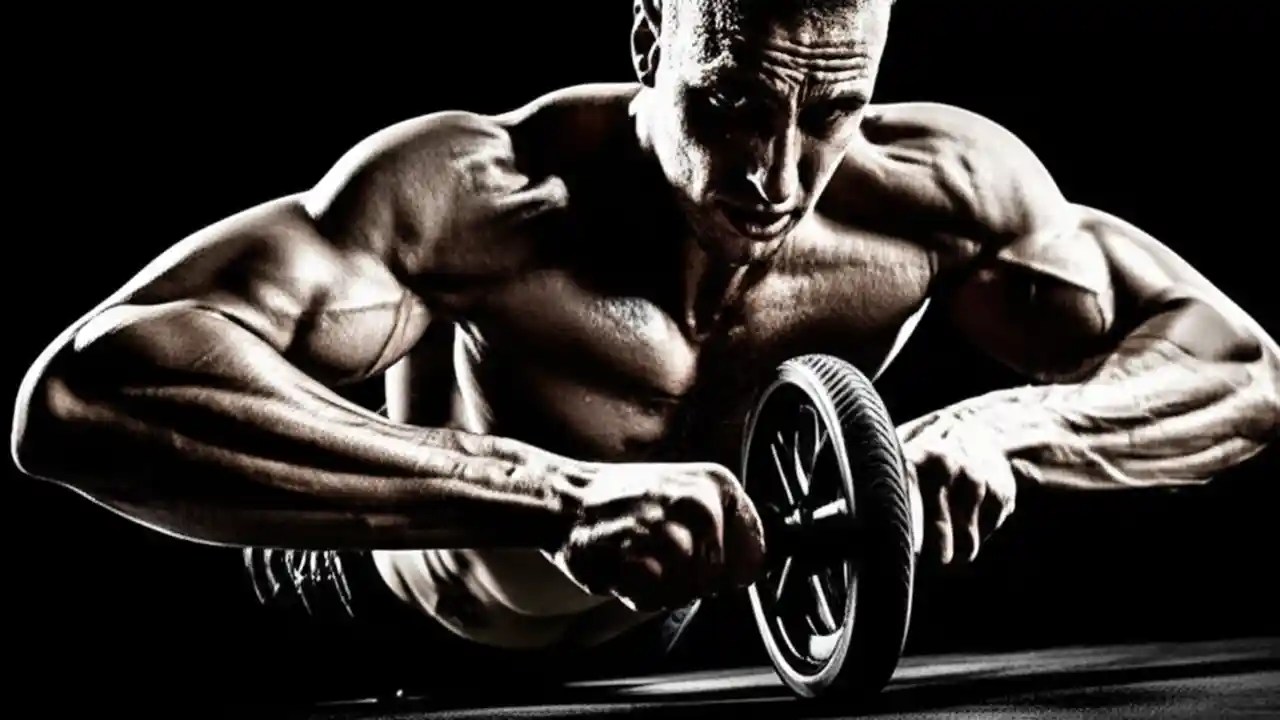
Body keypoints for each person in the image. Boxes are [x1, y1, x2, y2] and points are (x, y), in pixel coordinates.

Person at [10, 0, 1279, 697]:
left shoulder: (937, 193)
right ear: (647, 43)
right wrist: (557, 495)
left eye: (830, 109)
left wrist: (1015, 428)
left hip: (651, 637)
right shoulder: (478, 193)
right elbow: (83, 392)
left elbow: (1239, 367)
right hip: (368, 606)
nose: (775, 170)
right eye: (727, 101)